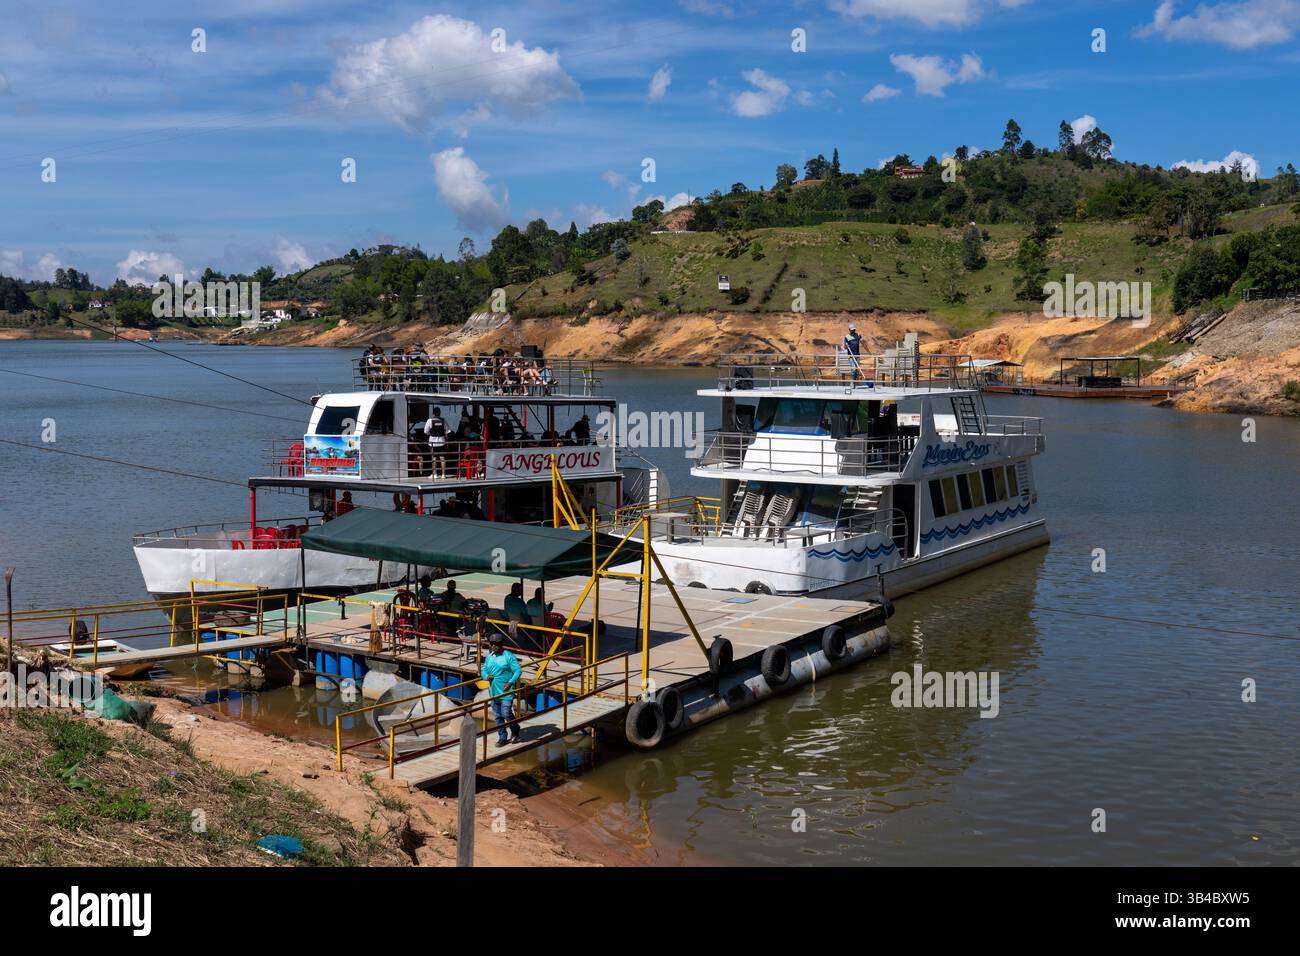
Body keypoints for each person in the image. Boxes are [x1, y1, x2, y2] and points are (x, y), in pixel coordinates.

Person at [481, 634, 521, 747]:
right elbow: (483, 671)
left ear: (501, 644)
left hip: (506, 692)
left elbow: (518, 671)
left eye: (496, 644)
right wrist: (486, 676)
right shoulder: (489, 657)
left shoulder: (508, 656)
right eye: (491, 644)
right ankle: (502, 737)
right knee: (498, 716)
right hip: (493, 692)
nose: (493, 646)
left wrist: (510, 682)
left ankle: (515, 729)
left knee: (506, 713)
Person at [423, 406, 450, 479]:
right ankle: (443, 475)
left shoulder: (430, 420)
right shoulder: (443, 420)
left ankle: (435, 474)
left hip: (432, 442)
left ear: (433, 413)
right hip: (442, 441)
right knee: (442, 458)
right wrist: (446, 442)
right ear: (439, 412)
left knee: (434, 458)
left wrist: (430, 433)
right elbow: (447, 432)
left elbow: (425, 431)